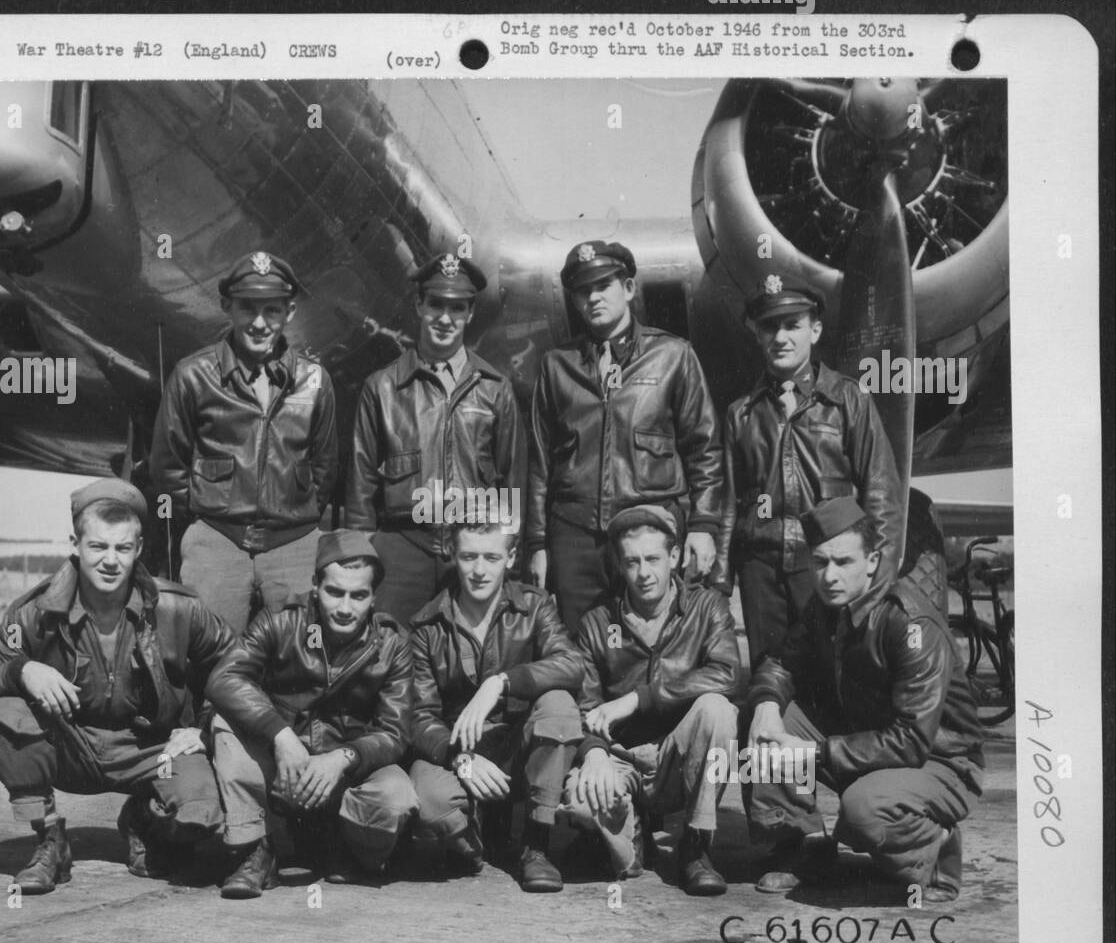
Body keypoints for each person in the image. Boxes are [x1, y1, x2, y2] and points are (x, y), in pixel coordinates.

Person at [0, 478, 263, 895]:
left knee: (201, 816)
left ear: (138, 550)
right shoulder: (34, 614)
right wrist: (21, 671)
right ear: (75, 545)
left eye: (122, 548)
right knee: (7, 712)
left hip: (152, 750)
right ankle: (49, 840)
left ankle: (143, 819)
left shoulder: (176, 607)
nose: (110, 561)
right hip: (72, 744)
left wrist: (204, 725)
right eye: (98, 546)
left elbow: (238, 662)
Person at [745, 498, 983, 902]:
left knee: (863, 811)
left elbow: (910, 739)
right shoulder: (825, 608)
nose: (829, 576)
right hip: (866, 740)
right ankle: (801, 843)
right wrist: (766, 703)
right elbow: (783, 661)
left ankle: (937, 847)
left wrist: (814, 752)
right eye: (820, 563)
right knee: (766, 725)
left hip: (939, 761)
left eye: (844, 562)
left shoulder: (909, 623)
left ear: (872, 561)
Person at [526, 240, 724, 632]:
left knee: (655, 644)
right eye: (583, 290)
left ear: (629, 289)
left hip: (649, 530)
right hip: (576, 537)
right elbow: (538, 465)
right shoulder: (555, 367)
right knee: (580, 647)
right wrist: (536, 544)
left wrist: (704, 525)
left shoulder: (673, 356)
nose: (593, 297)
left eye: (604, 285)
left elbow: (705, 450)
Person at [208, 530, 417, 896]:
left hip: (346, 772)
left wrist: (344, 757)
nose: (345, 608)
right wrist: (280, 736)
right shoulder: (279, 620)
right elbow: (225, 678)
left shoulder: (393, 645)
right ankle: (253, 850)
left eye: (359, 595)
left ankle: (344, 845)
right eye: (335, 592)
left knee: (397, 798)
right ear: (315, 585)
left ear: (373, 597)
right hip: (282, 765)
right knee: (223, 721)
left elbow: (395, 732)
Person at [713, 274, 903, 671]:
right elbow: (728, 505)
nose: (780, 337)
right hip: (759, 567)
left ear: (814, 330)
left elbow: (881, 491)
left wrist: (877, 576)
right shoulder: (740, 413)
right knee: (769, 673)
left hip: (823, 562)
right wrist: (719, 582)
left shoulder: (849, 399)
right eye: (769, 326)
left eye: (792, 325)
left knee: (834, 674)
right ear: (757, 334)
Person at [150, 250, 337, 633]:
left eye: (272, 310)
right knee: (210, 656)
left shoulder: (315, 380)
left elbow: (326, 465)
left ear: (290, 312)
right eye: (247, 308)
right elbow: (168, 466)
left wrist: (295, 513)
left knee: (296, 659)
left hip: (293, 543)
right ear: (227, 307)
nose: (258, 322)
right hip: (218, 540)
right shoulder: (192, 375)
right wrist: (212, 512)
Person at [562, 506, 740, 894]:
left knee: (717, 710)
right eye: (632, 561)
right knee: (579, 802)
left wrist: (639, 700)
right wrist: (593, 753)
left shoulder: (706, 607)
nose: (644, 573)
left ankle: (696, 844)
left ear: (674, 557)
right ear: (619, 565)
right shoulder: (598, 622)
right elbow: (584, 704)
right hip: (620, 757)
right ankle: (630, 837)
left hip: (677, 758)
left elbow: (727, 675)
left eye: (654, 559)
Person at [346, 252, 526, 625]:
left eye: (456, 308)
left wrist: (507, 546)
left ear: (470, 313)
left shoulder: (495, 389)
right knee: (388, 649)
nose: (445, 318)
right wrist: (362, 553)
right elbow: (361, 482)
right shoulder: (381, 387)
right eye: (436, 305)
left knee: (469, 654)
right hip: (402, 546)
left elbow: (512, 479)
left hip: (470, 545)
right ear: (419, 305)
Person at [406, 521, 585, 892]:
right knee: (430, 801)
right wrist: (460, 757)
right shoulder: (427, 625)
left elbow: (571, 664)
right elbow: (419, 716)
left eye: (492, 557)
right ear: (453, 555)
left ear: (512, 557)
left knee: (560, 706)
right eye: (469, 556)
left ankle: (537, 843)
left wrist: (501, 682)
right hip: (462, 753)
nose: (479, 570)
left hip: (519, 750)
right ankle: (472, 836)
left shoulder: (534, 606)